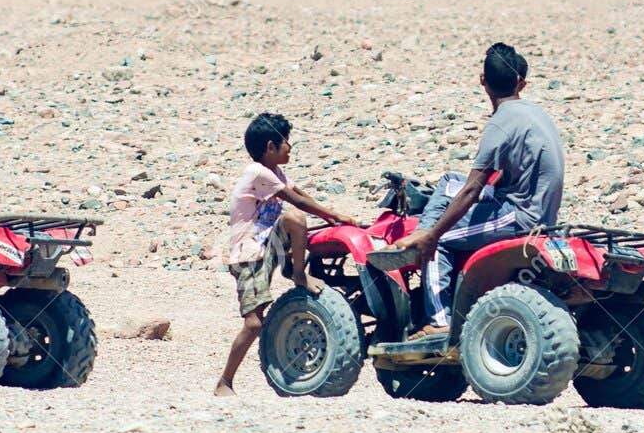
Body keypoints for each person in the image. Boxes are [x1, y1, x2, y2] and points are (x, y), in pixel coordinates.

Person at [386, 43, 564, 339]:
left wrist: (433, 234)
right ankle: (425, 228)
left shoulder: (500, 124)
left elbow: (471, 191)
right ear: (521, 83)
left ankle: (439, 322)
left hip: (521, 216)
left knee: (438, 242)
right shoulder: (534, 112)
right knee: (448, 180)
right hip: (535, 206)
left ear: (483, 80)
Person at [215, 113, 357, 396]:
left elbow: (301, 194)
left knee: (296, 222)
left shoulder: (276, 174)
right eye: (286, 143)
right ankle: (225, 381)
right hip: (249, 254)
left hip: (269, 243)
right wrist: (336, 215)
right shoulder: (257, 173)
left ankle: (295, 270)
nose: (290, 148)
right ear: (270, 147)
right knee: (254, 323)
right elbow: (298, 201)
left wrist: (332, 219)